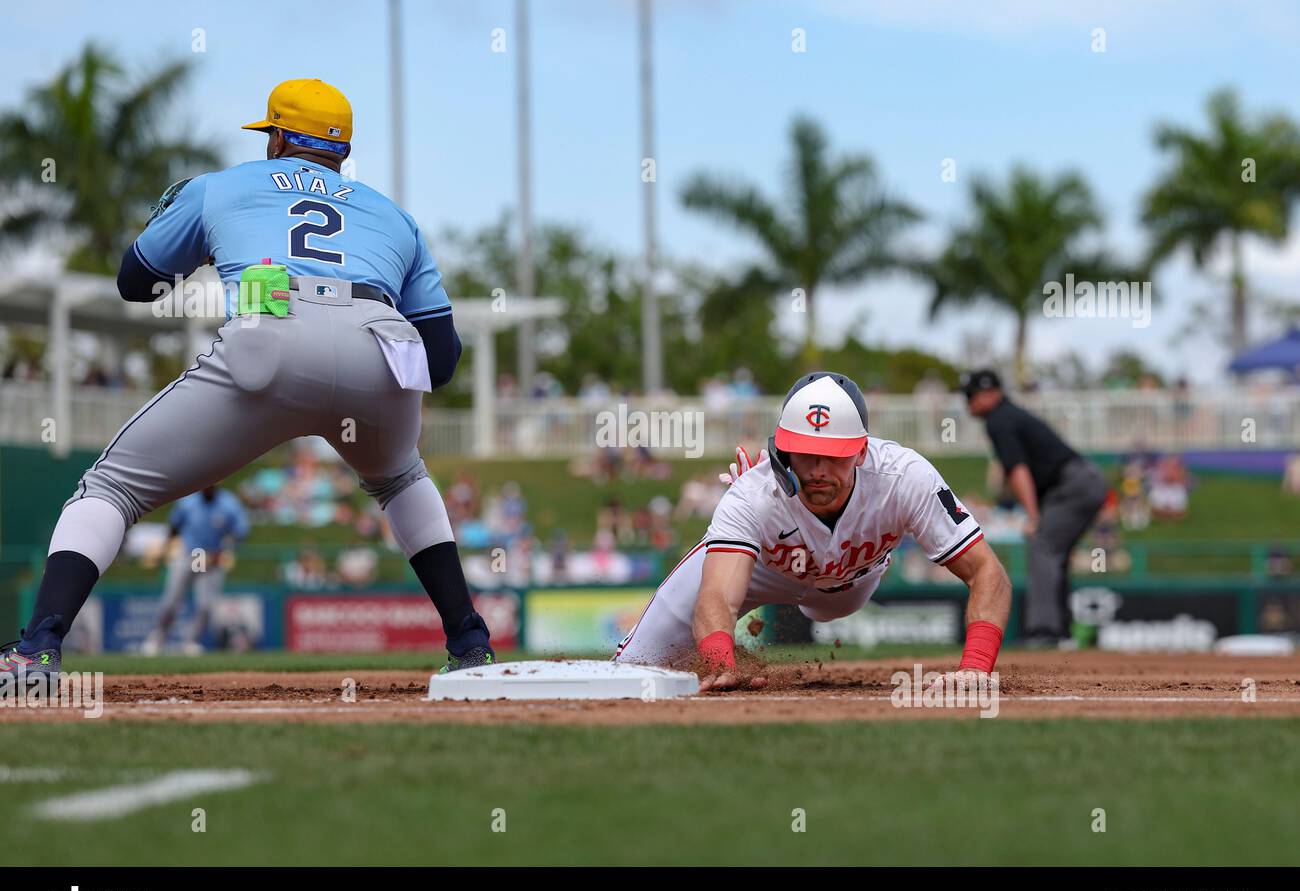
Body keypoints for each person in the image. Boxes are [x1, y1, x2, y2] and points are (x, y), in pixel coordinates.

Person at [1, 78, 493, 686]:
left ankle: (38, 649)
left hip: (273, 334)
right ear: (340, 151)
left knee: (112, 489)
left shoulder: (222, 187)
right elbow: (441, 361)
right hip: (381, 346)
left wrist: (178, 218)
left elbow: (136, 282)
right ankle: (470, 642)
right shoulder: (396, 218)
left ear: (279, 138)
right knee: (400, 479)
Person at [615, 372, 1012, 690]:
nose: (817, 470)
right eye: (804, 453)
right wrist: (719, 664)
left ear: (860, 450)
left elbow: (987, 572)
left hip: (850, 584)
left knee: (828, 604)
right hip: (764, 568)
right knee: (633, 665)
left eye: (833, 456)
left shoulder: (904, 476)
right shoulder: (754, 492)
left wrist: (976, 666)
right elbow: (717, 593)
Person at [960, 369, 1107, 646]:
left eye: (971, 396)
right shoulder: (1009, 415)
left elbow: (1018, 469)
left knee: (1043, 545)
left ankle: (1045, 631)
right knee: (1055, 552)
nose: (968, 403)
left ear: (991, 393)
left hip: (1073, 483)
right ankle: (1061, 631)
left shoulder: (999, 420)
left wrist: (1032, 516)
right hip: (1083, 481)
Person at [141, 485, 249, 655]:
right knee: (171, 600)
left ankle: (191, 641)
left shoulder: (228, 503)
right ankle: (157, 638)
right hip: (188, 553)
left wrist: (224, 550)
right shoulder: (188, 500)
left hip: (212, 557)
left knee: (206, 605)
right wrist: (164, 550)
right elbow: (174, 526)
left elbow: (240, 531)